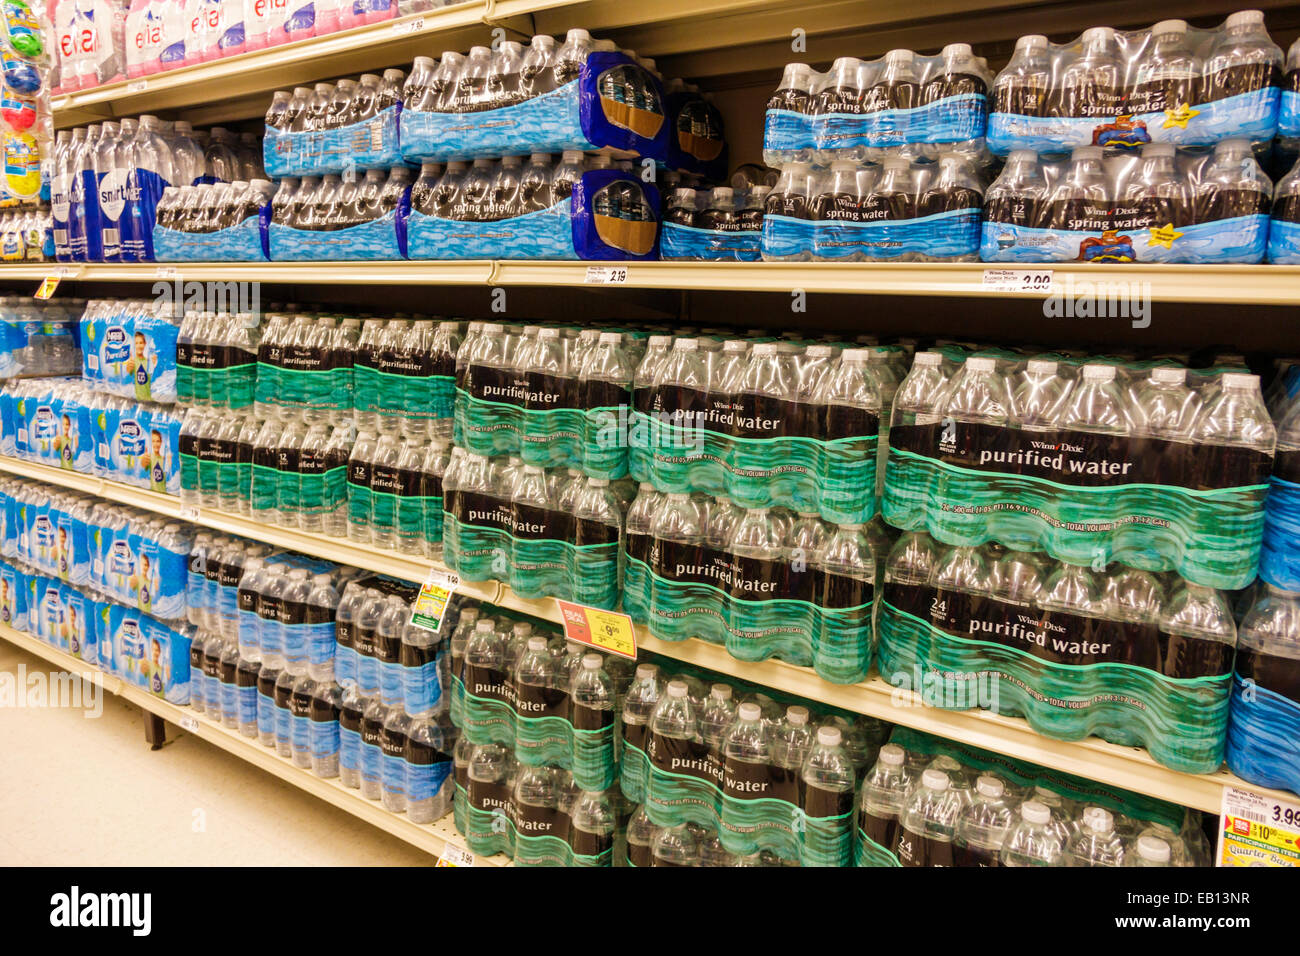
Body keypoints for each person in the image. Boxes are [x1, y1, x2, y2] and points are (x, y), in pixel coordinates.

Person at [128, 331, 156, 402]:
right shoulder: (133, 362)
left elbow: (153, 380)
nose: (138, 346)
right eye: (136, 343)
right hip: (137, 400)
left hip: (150, 400)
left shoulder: (148, 362)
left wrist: (155, 365)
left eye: (141, 343)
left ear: (145, 344)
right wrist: (129, 367)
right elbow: (128, 373)